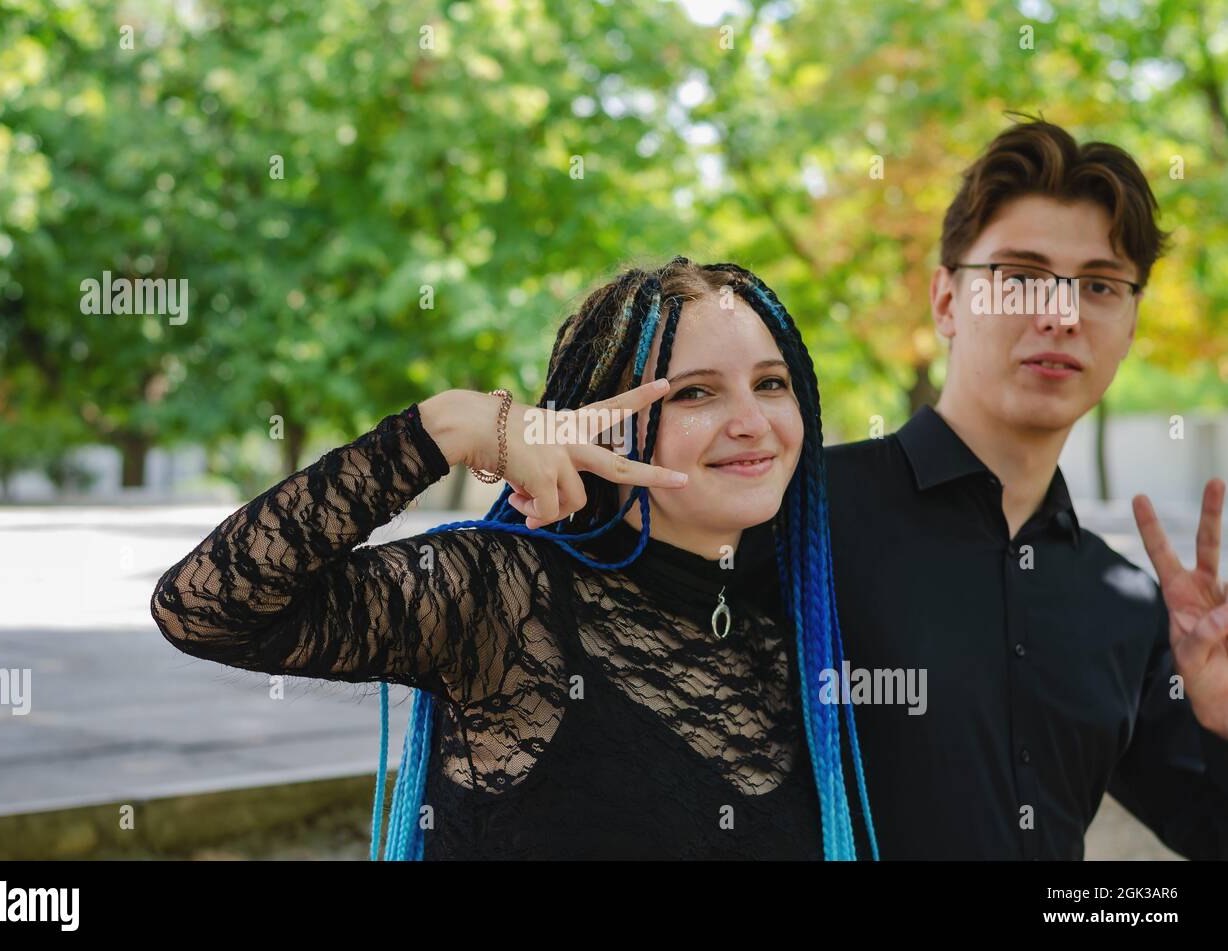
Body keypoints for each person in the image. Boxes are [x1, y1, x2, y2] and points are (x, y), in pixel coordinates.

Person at [150, 257, 878, 860]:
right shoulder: (506, 594)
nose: (752, 422)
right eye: (695, 393)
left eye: (771, 383)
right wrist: (451, 426)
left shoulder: (804, 619)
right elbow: (205, 607)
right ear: (601, 422)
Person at [823, 118, 1228, 859]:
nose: (1062, 314)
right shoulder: (808, 512)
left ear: (1132, 323)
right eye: (1022, 277)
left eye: (1100, 285)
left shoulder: (1127, 604)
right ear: (946, 302)